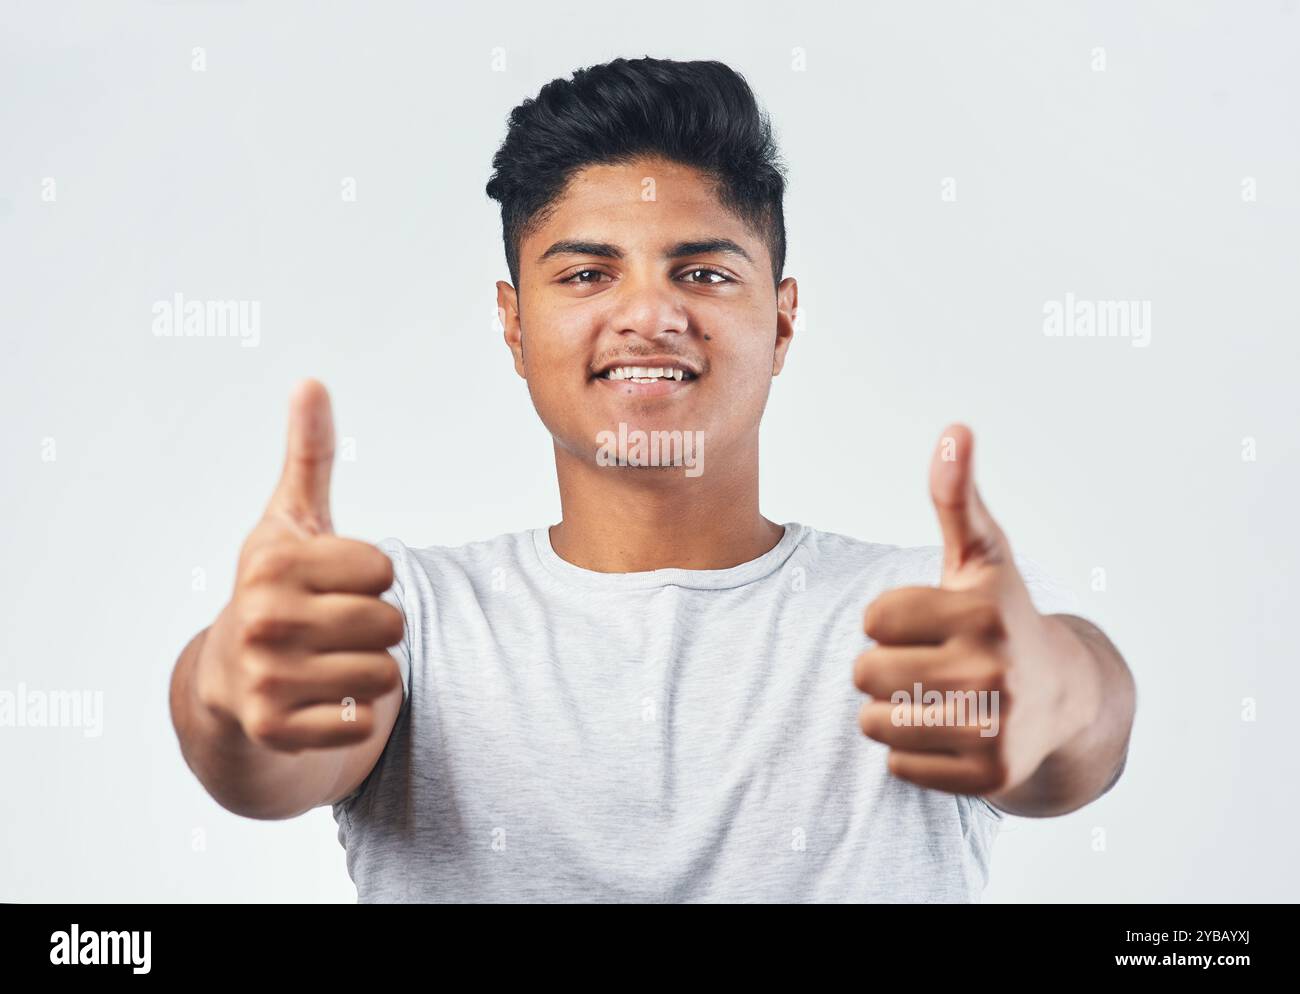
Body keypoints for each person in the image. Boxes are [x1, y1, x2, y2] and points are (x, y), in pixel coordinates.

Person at [169, 56, 1135, 902]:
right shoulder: (404, 613)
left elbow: (1078, 726)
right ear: (513, 324)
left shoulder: (934, 613)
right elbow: (265, 756)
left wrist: (1050, 695)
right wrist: (226, 692)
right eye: (587, 275)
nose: (649, 315)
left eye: (704, 274)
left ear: (783, 321)